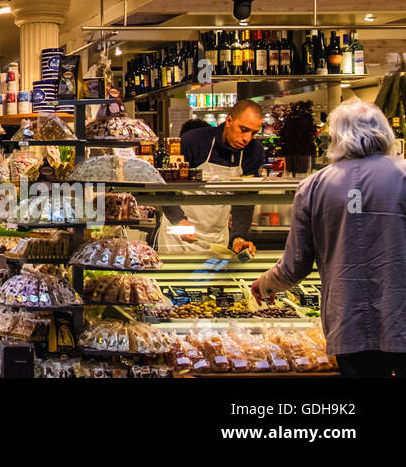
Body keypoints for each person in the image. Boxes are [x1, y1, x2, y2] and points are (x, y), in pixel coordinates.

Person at [251, 101, 406, 377]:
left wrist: (265, 284)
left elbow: (294, 267)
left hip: (349, 323)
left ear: (336, 137)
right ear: (385, 132)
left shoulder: (313, 186)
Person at [155, 101, 265, 254]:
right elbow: (163, 185)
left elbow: (245, 199)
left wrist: (239, 237)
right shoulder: (193, 142)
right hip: (179, 239)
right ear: (228, 121)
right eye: (243, 129)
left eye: (253, 133)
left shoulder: (253, 152)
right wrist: (178, 220)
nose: (247, 138)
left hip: (217, 240)